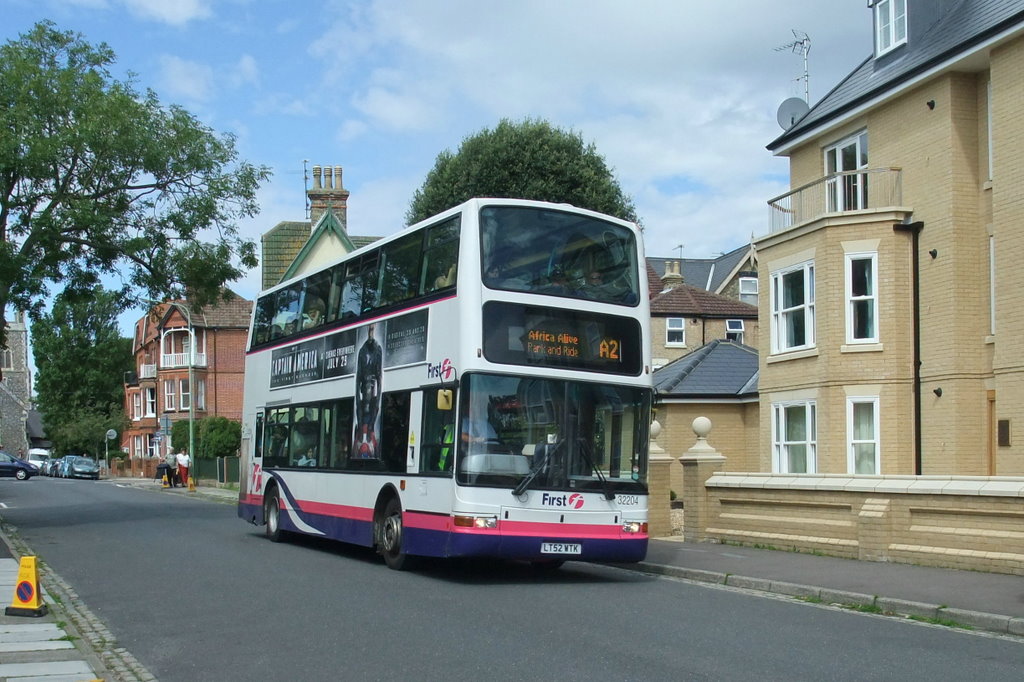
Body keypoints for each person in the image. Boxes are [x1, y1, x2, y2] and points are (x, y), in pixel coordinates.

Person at [354, 323, 383, 458]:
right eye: (369, 329)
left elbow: (379, 377)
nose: (371, 332)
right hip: (364, 393)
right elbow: (358, 377)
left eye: (372, 329)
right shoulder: (362, 351)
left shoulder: (378, 349)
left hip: (372, 395)